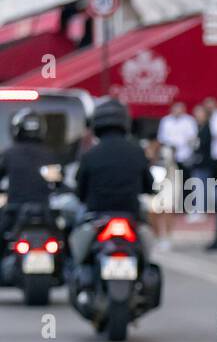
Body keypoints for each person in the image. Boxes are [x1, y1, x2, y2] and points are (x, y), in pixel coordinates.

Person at [71, 99, 155, 266]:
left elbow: (80, 191)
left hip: (97, 214)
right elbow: (149, 185)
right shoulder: (137, 152)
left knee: (78, 249)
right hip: (131, 213)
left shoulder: (90, 155)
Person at [0, 109, 56, 241]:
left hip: (14, 212)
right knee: (61, 242)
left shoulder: (9, 154)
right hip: (44, 212)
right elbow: (57, 182)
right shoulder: (48, 154)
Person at [156, 101, 197, 179]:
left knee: (186, 178)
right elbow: (161, 137)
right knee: (171, 177)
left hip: (185, 155)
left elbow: (192, 137)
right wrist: (171, 146)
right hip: (169, 155)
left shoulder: (189, 121)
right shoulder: (166, 120)